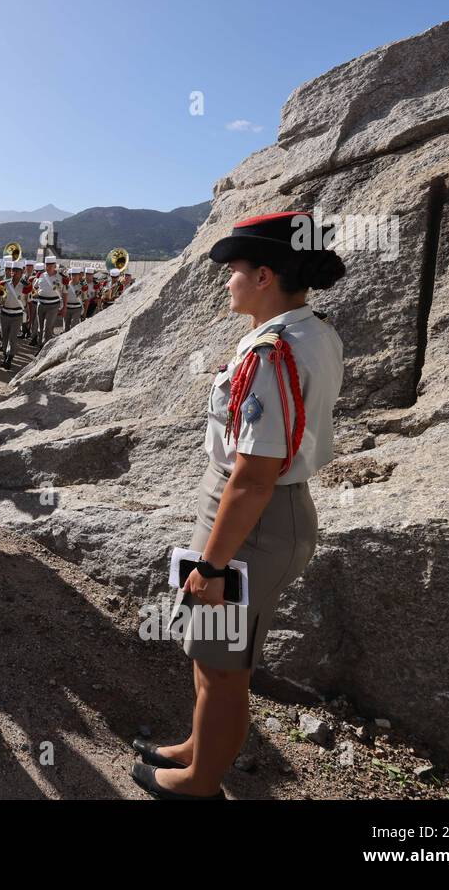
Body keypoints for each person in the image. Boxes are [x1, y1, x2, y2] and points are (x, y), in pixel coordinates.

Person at [130, 211, 346, 800]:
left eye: (235, 270)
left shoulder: (273, 352)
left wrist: (213, 564)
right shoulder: (312, 333)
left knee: (223, 667)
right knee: (214, 652)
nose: (227, 281)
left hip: (251, 522)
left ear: (264, 276)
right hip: (265, 514)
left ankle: (199, 782)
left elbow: (253, 477)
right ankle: (198, 747)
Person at [0, 261, 28, 369]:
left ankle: (10, 358)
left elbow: (27, 301)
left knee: (13, 338)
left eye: (16, 271)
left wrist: (29, 315)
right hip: (5, 313)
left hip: (17, 315)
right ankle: (5, 356)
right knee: (4, 337)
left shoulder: (25, 286)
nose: (14, 273)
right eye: (12, 271)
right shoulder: (4, 284)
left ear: (21, 272)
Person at [31, 255, 62, 346]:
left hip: (53, 305)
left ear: (54, 266)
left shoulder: (60, 277)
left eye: (50, 265)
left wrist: (64, 307)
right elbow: (34, 287)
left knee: (47, 328)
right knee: (40, 328)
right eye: (47, 265)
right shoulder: (41, 275)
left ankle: (45, 346)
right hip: (41, 304)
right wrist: (35, 293)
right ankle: (40, 346)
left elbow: (65, 292)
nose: (48, 267)